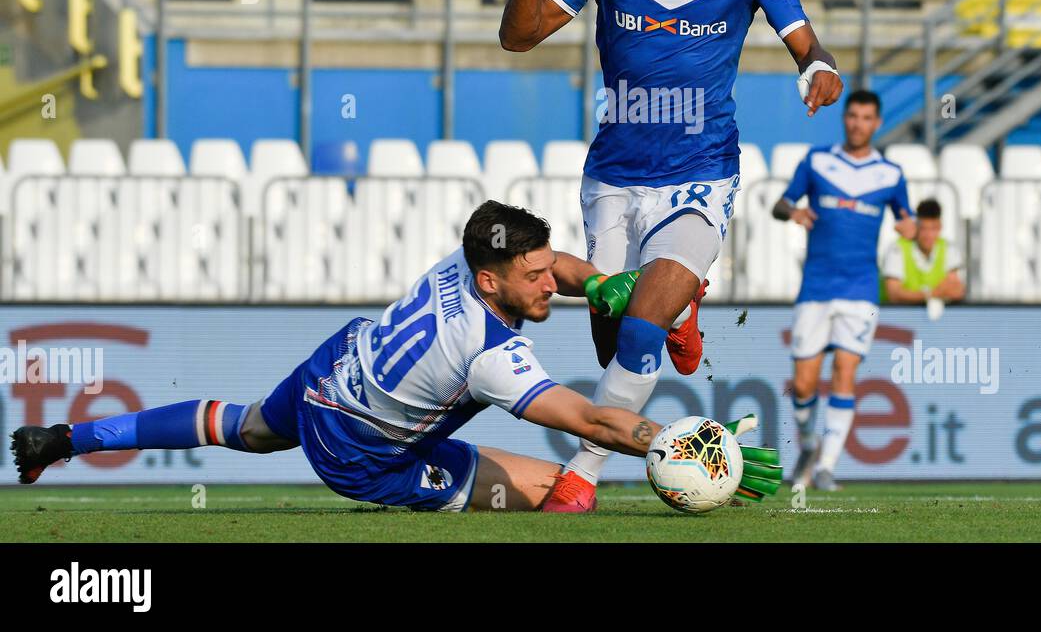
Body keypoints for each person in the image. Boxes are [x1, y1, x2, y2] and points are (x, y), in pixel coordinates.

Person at [498, 0, 842, 511]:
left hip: (701, 175)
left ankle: (581, 476)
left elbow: (806, 41)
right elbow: (519, 37)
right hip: (616, 178)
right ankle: (679, 313)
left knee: (643, 326)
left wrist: (817, 71)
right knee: (612, 343)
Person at [10, 202, 781, 511]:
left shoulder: (467, 262)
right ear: (492, 280)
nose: (553, 283)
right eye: (536, 277)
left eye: (551, 269)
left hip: (331, 373)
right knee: (550, 491)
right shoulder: (487, 356)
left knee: (243, 426)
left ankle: (66, 441)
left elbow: (561, 267)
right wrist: (685, 446)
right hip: (363, 451)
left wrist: (606, 281)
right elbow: (591, 422)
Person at [771, 90, 914, 491]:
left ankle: (827, 467)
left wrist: (911, 229)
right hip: (816, 286)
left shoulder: (891, 174)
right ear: (844, 119)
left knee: (845, 373)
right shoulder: (818, 161)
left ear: (877, 123)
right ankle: (809, 445)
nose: (858, 124)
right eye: (852, 116)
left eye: (866, 118)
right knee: (803, 383)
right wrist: (794, 211)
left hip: (861, 289)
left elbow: (910, 219)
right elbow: (779, 204)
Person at [881, 197, 965, 318]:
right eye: (924, 228)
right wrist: (932, 295)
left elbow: (956, 290)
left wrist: (915, 295)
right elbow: (893, 293)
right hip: (900, 319)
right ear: (916, 226)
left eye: (933, 228)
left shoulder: (949, 249)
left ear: (940, 227)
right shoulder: (897, 249)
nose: (928, 235)